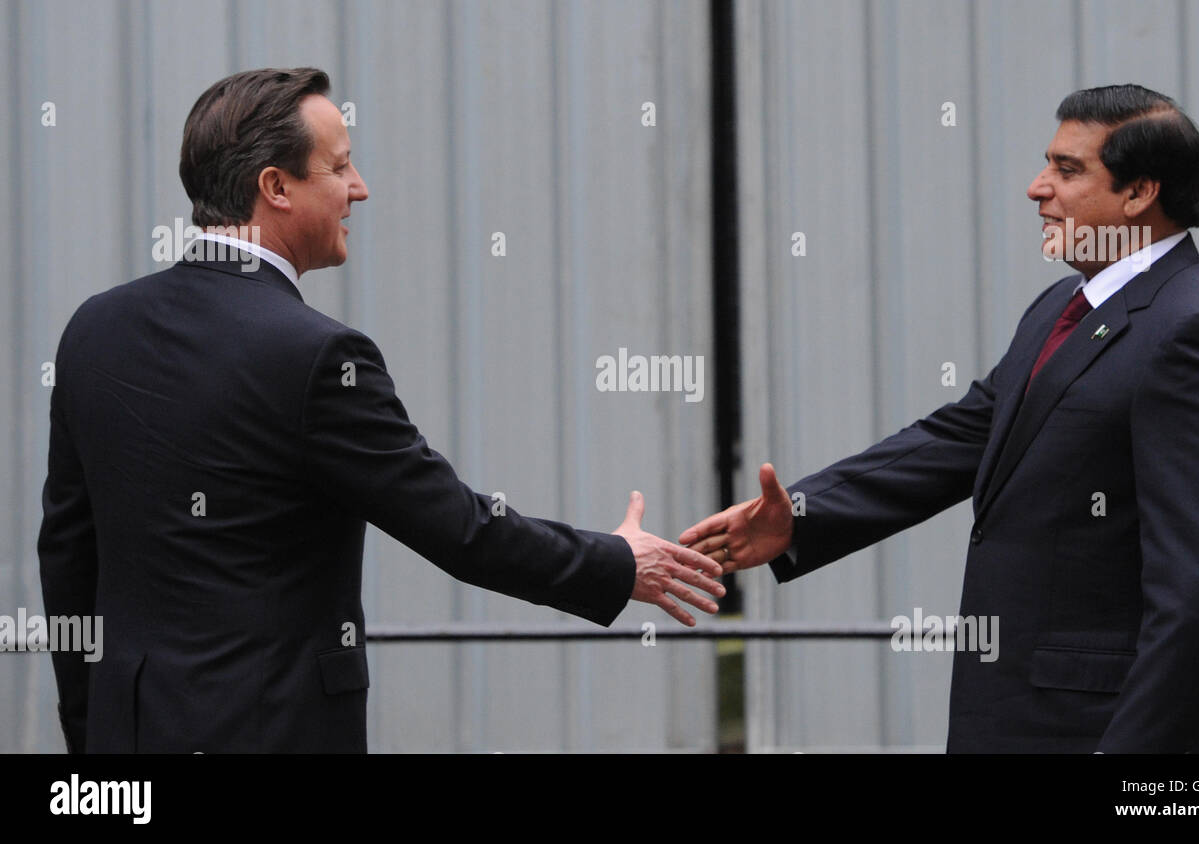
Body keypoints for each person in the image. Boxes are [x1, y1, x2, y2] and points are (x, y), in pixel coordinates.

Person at [38, 67, 724, 753]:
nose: (358, 188)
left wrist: (90, 737)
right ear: (275, 188)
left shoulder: (94, 331)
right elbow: (460, 529)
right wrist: (618, 562)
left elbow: (69, 557)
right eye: (338, 168)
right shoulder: (315, 355)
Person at [681, 84, 1199, 753]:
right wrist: (803, 517)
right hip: (1022, 718)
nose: (1036, 187)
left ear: (1140, 194)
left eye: (1067, 170)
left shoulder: (1197, 330)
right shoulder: (1062, 306)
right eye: (1046, 162)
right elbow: (959, 437)